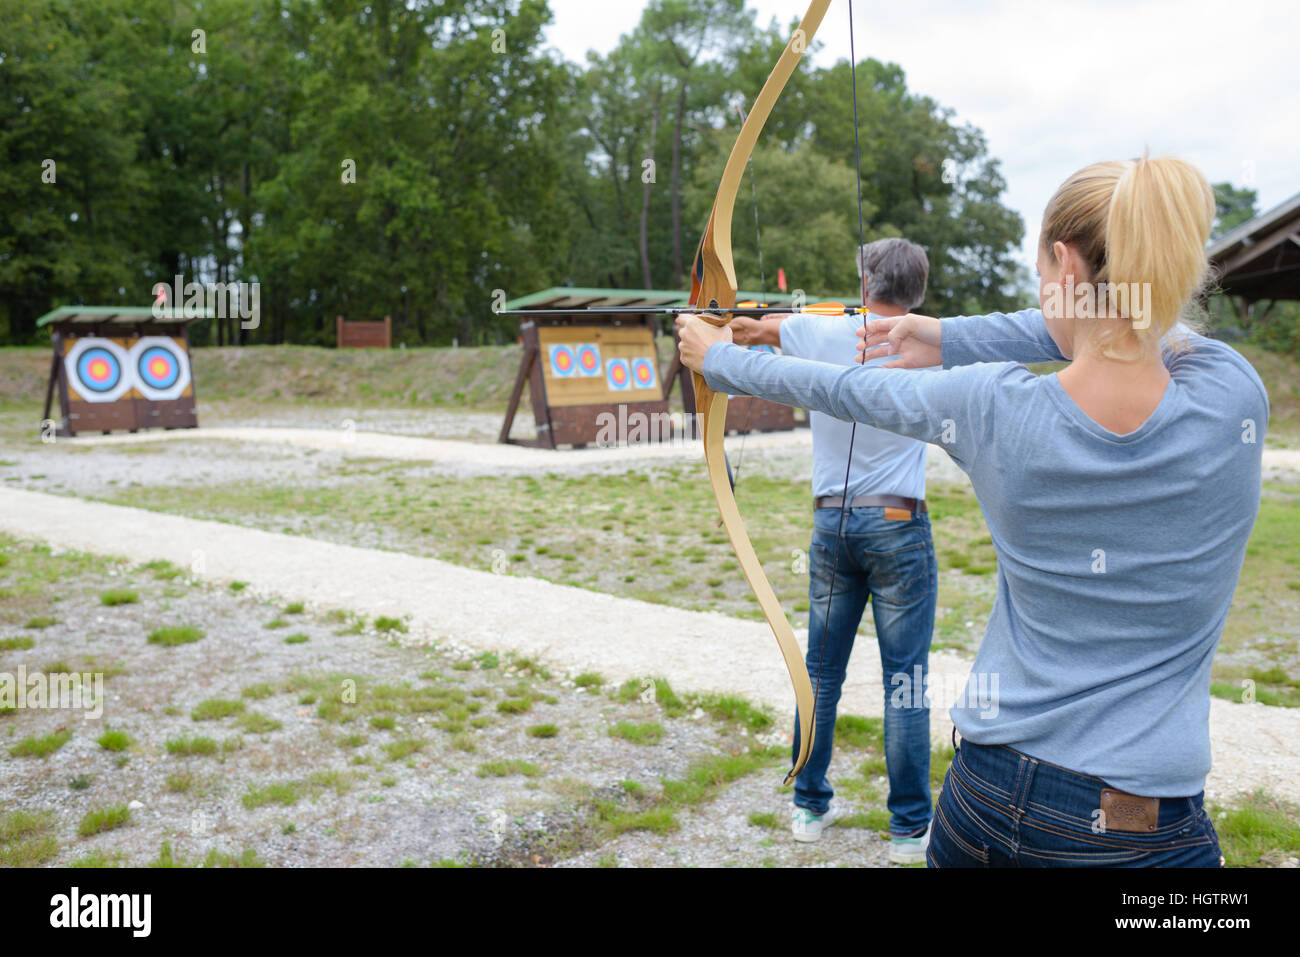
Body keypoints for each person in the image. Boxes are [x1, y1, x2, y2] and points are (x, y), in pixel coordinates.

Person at [678, 155, 1266, 867]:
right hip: (1141, 822)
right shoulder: (1233, 395)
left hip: (985, 800)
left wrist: (720, 360)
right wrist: (949, 334)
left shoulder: (992, 405)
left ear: (1064, 267)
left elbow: (848, 390)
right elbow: (1138, 328)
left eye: (1046, 278)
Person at [727, 238, 936, 861]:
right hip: (898, 522)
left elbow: (745, 331)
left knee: (819, 674)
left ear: (864, 279)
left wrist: (723, 317)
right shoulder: (931, 343)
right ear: (917, 291)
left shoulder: (821, 332)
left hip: (831, 527)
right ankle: (907, 830)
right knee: (906, 682)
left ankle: (809, 807)